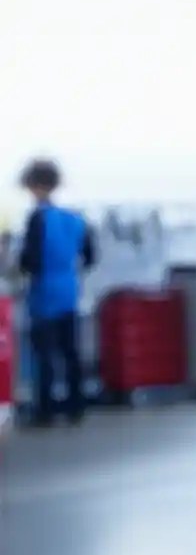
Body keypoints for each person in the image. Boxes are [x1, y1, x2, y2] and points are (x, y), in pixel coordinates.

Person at [17, 159, 95, 426]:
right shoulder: (75, 218)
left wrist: (22, 270)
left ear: (37, 186)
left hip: (44, 292)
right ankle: (76, 407)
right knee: (70, 352)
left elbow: (30, 260)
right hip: (69, 290)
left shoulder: (37, 218)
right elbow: (90, 256)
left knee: (44, 355)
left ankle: (45, 411)